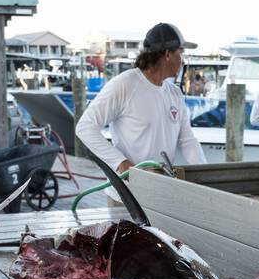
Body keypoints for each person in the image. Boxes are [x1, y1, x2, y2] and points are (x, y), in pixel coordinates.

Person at [75, 22, 206, 204]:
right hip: (126, 197)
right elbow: (85, 127)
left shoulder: (174, 93)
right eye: (180, 53)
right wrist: (121, 164)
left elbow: (187, 140)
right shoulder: (125, 84)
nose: (182, 60)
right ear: (167, 54)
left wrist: (206, 175)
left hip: (161, 196)